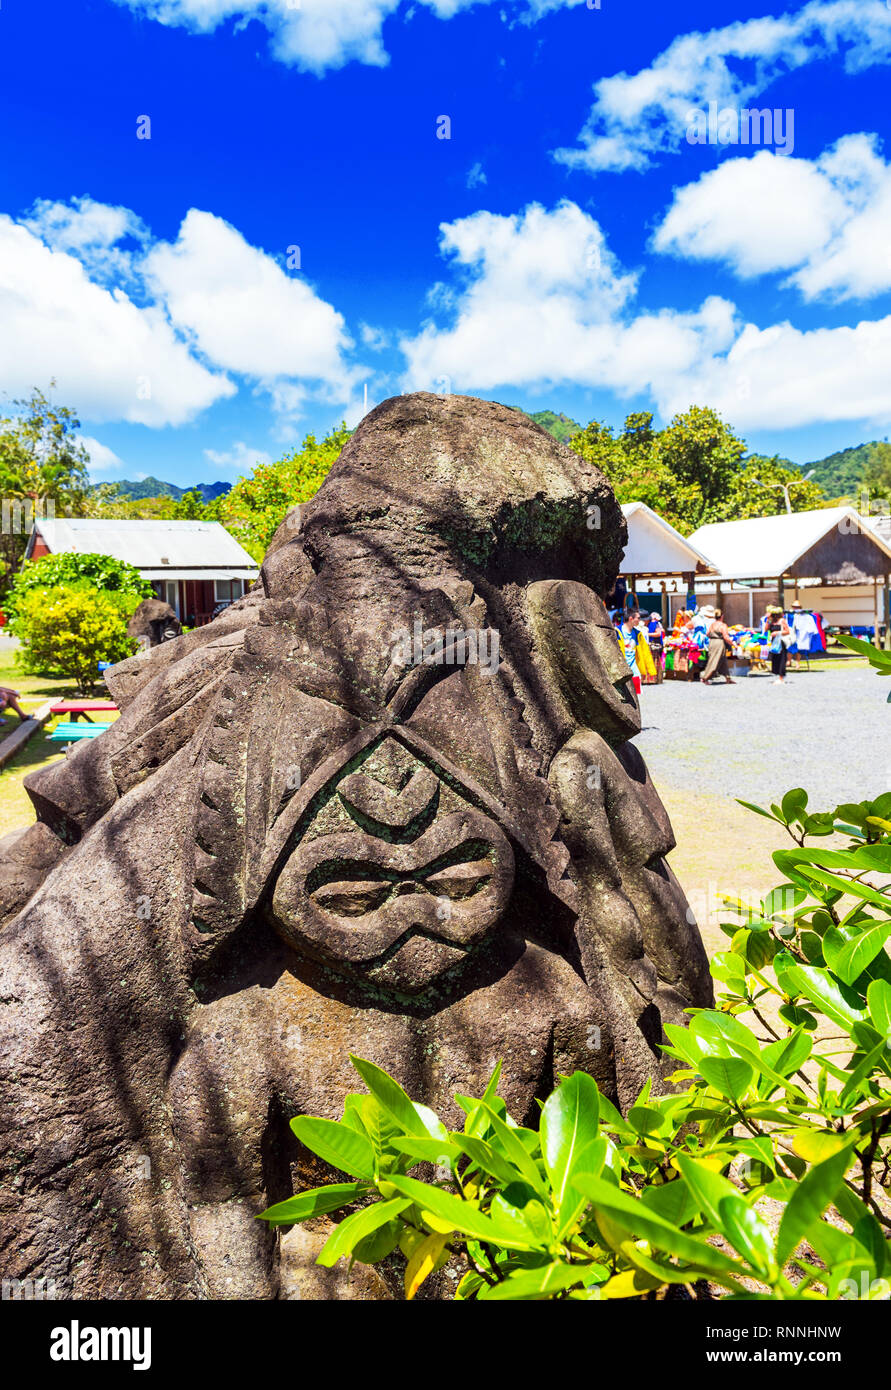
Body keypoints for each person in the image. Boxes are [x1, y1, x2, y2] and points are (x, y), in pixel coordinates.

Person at [700, 608, 737, 685]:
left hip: (712, 643)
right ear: (722, 616)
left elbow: (707, 633)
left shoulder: (712, 625)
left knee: (723, 661)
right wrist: (733, 644)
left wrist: (713, 636)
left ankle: (728, 678)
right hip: (719, 643)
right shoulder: (723, 625)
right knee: (715, 661)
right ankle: (705, 678)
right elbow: (726, 637)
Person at [788, 600, 820, 670]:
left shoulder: (806, 616)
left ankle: (797, 663)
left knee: (799, 649)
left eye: (797, 607)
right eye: (794, 607)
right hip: (792, 634)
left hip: (801, 634)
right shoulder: (789, 615)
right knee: (790, 647)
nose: (795, 608)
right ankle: (789, 661)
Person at [766, 606, 792, 684]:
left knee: (781, 659)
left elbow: (787, 631)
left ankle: (781, 677)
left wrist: (778, 633)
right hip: (774, 642)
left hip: (781, 642)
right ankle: (778, 675)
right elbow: (766, 629)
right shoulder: (771, 621)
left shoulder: (782, 621)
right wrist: (768, 620)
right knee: (775, 659)